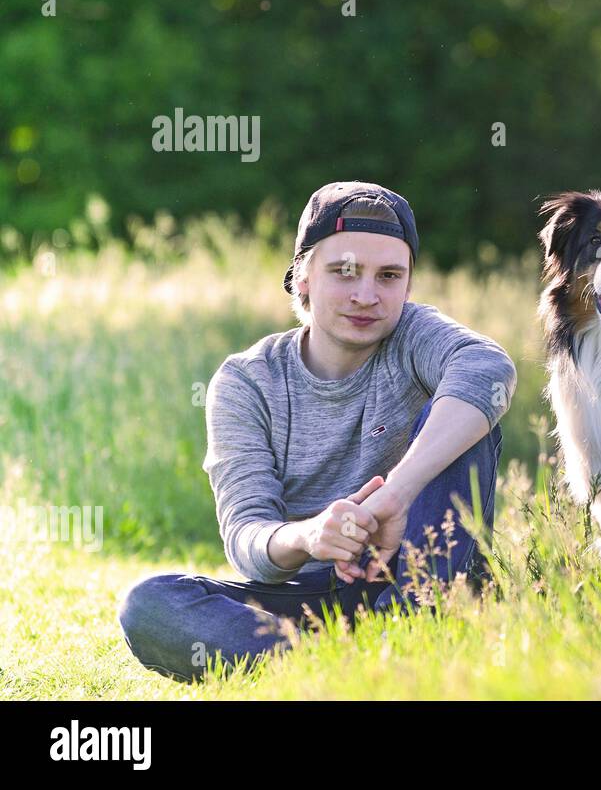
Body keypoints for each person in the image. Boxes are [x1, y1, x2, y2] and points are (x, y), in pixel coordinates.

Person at [118, 181, 518, 681]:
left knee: (466, 417)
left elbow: (490, 368)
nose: (367, 295)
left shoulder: (416, 335)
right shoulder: (247, 381)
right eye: (344, 271)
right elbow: (247, 539)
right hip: (305, 600)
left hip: (421, 578)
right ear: (303, 279)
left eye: (389, 276)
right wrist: (310, 535)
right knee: (152, 604)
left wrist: (395, 494)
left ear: (409, 286)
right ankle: (336, 664)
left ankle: (415, 629)